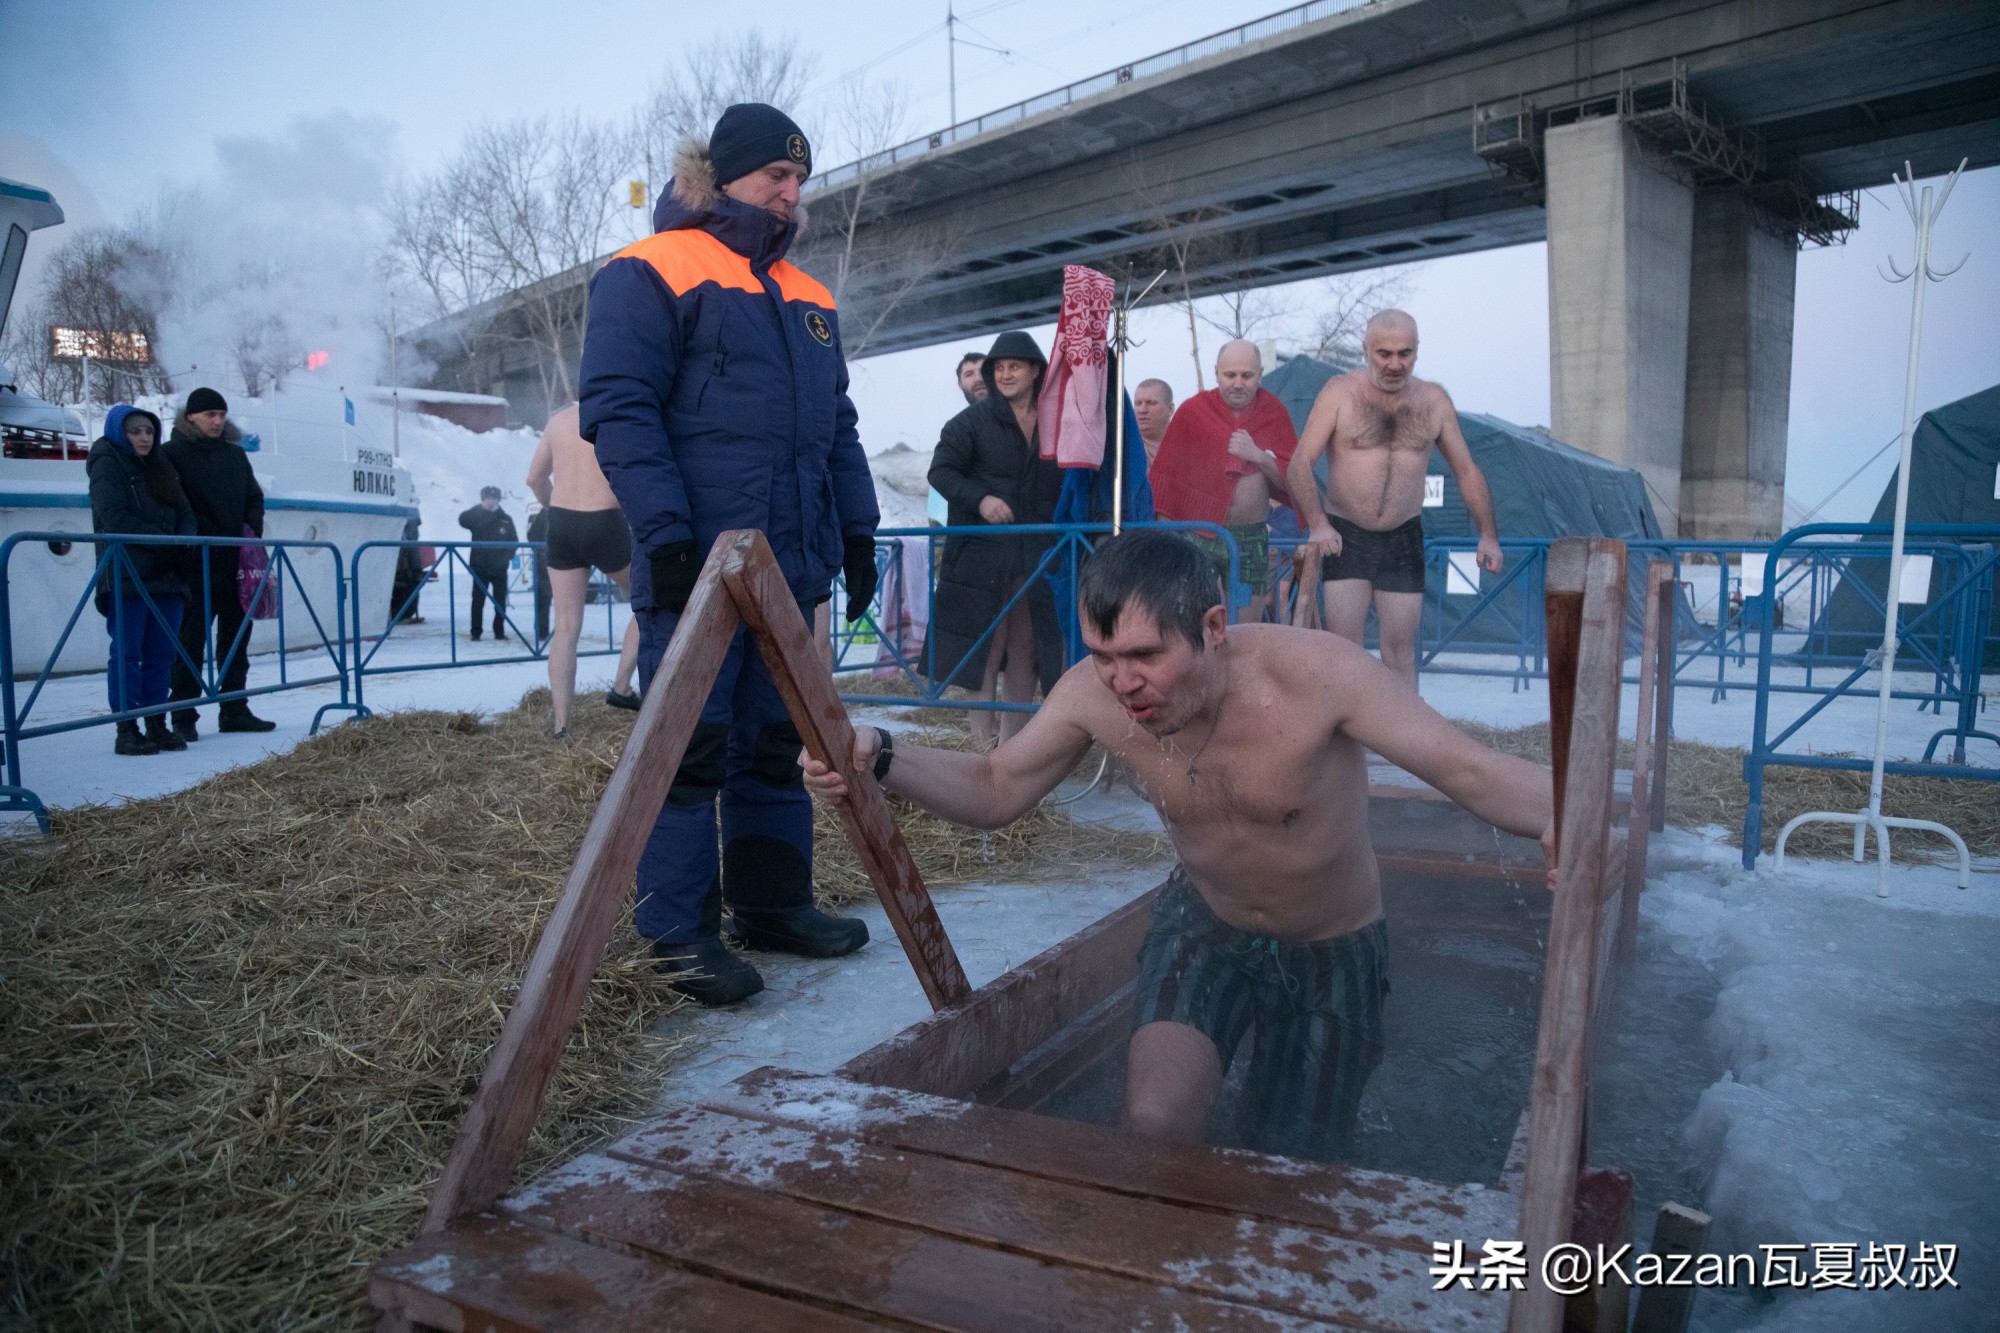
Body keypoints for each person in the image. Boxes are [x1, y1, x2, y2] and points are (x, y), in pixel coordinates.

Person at [805, 529, 1554, 1162]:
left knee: (1289, 1161)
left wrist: (1569, 818)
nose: (1121, 682)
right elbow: (999, 784)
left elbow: (1467, 768)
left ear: (1215, 627)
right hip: (1206, 925)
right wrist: (880, 754)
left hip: (1331, 946)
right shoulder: (1093, 693)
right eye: (1102, 654)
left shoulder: (1319, 677)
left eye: (1143, 655)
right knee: (1155, 1127)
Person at [580, 100, 879, 1006]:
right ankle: (675, 931)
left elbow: (838, 430)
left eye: (800, 181)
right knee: (690, 745)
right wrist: (665, 538)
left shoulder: (810, 296)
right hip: (699, 568)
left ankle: (772, 900)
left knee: (775, 739)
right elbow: (620, 411)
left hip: (790, 569)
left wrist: (858, 531)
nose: (790, 196)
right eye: (774, 178)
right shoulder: (648, 271)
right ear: (722, 176)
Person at [1287, 310, 1501, 686]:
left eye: (1405, 354)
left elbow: (1466, 469)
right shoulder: (1340, 392)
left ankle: (1401, 743)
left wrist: (1488, 534)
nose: (1394, 364)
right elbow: (1300, 463)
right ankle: (1348, 743)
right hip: (1346, 534)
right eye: (1384, 354)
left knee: (1400, 653)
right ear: (1366, 350)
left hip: (1403, 536)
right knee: (1345, 651)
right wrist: (1318, 525)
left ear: (1417, 352)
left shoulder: (1433, 401)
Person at [927, 331, 1066, 748]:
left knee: (1026, 646)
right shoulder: (969, 422)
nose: (1005, 375)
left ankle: (1013, 745)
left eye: (1014, 367)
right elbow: (941, 472)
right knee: (987, 646)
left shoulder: (1055, 419)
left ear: (1036, 370)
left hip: (1037, 552)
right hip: (981, 554)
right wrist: (982, 499)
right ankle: (982, 743)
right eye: (999, 367)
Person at [1149, 340, 1297, 620]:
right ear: (1217, 373)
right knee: (1198, 621)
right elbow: (1166, 480)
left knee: (1245, 627)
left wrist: (1258, 455)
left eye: (1247, 375)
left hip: (1250, 537)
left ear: (1260, 374)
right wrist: (1165, 543)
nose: (1238, 383)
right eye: (1230, 375)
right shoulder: (1193, 411)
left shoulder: (1273, 411)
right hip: (1199, 534)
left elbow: (1292, 479)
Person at [162, 388, 275, 739]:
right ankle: (183, 716)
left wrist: (248, 530)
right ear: (190, 417)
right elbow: (175, 505)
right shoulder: (171, 454)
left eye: (221, 414)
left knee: (236, 639)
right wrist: (203, 537)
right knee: (189, 642)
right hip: (195, 564)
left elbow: (253, 497)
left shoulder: (235, 456)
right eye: (210, 414)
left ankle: (234, 708)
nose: (217, 421)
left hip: (235, 563)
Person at [526, 403, 642, 737]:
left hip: (561, 521)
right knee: (648, 601)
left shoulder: (558, 420)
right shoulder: (618, 415)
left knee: (565, 627)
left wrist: (556, 505)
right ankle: (621, 687)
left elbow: (534, 478)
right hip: (605, 519)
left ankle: (562, 724)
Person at [87, 405, 196, 756]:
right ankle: (127, 726)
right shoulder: (107, 464)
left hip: (166, 574)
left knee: (161, 654)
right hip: (128, 574)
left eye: (148, 431)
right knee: (128, 652)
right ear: (121, 433)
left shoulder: (162, 466)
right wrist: (162, 544)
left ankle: (156, 722)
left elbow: (184, 513)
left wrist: (180, 545)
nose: (144, 438)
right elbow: (114, 516)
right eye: (135, 432)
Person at [457, 486, 518, 641]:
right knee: (478, 601)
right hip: (480, 566)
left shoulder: (505, 518)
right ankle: (476, 632)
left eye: (494, 498)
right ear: (483, 499)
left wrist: (506, 558)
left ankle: (499, 631)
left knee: (500, 601)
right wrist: (480, 509)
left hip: (499, 567)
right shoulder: (477, 516)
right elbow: (462, 520)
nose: (491, 501)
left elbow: (514, 540)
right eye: (488, 498)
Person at [390, 513, 426, 625]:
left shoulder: (403, 517)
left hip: (408, 559)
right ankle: (407, 612)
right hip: (413, 559)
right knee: (413, 583)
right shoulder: (412, 513)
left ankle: (402, 613)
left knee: (409, 583)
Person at [525, 503, 553, 643]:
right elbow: (531, 536)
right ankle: (543, 631)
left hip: (552, 560)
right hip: (544, 561)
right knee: (544, 597)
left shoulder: (553, 514)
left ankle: (546, 631)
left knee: (547, 597)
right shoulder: (538, 517)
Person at [1132, 377, 1174, 467]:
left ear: (1170, 408)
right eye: (1138, 403)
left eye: (1151, 403)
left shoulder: (1189, 448)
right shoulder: (1125, 448)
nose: (1142, 410)